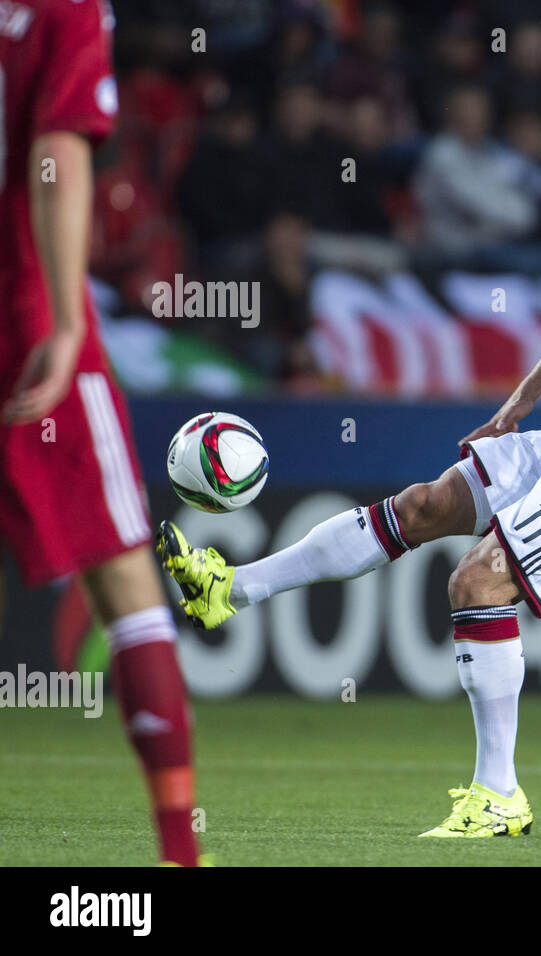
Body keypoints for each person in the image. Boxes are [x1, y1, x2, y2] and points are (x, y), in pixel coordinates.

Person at [156, 85, 541, 839]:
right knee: (425, 505)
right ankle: (231, 589)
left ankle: (499, 798)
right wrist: (524, 396)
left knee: (478, 579)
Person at [0, 0, 203, 865]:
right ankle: (178, 857)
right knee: (127, 585)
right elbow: (55, 152)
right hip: (25, 317)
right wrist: (65, 320)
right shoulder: (66, 8)